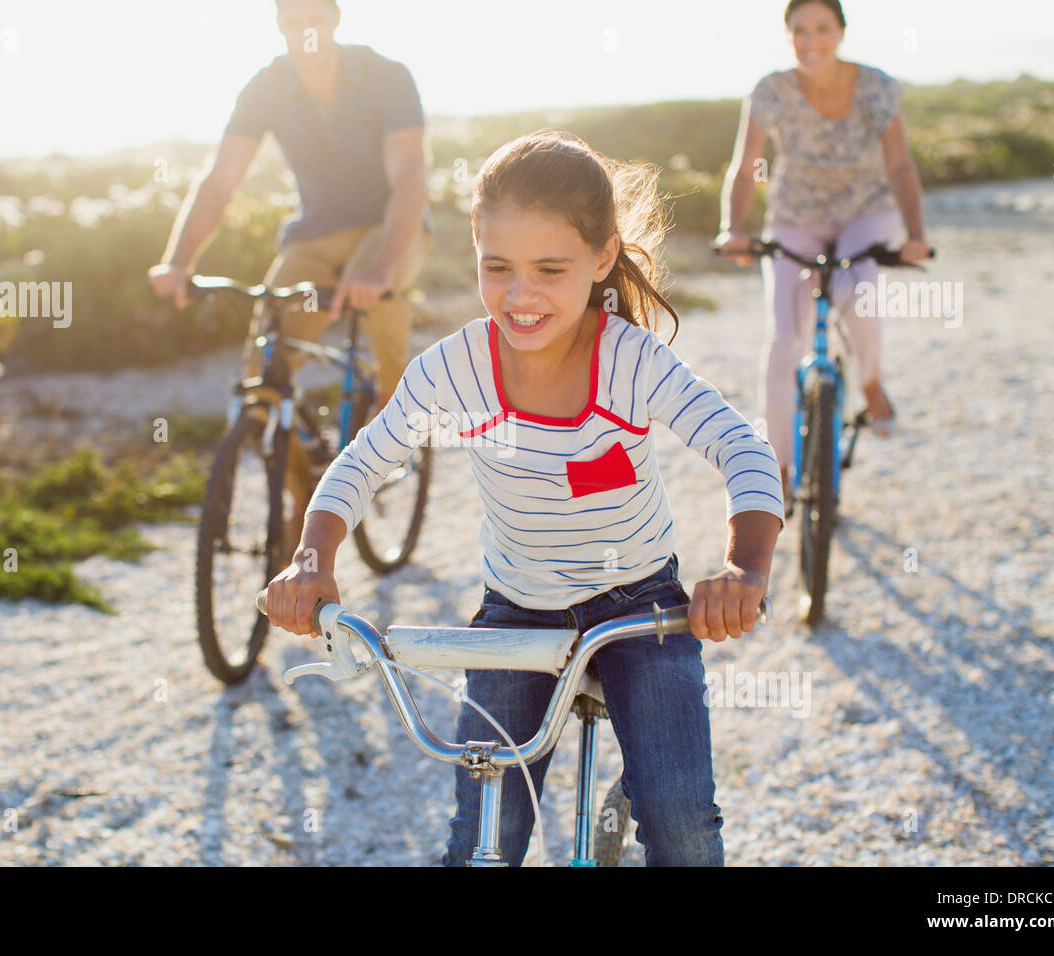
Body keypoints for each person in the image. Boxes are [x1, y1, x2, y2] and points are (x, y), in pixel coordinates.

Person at [264, 130, 785, 866]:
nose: (519, 294)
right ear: (474, 252)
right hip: (517, 607)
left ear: (602, 260)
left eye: (550, 268)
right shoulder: (455, 369)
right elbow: (361, 462)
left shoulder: (630, 362)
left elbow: (744, 448)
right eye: (496, 266)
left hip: (640, 606)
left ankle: (647, 796)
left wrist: (746, 569)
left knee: (679, 822)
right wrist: (311, 559)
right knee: (487, 837)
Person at [149, 0, 433, 546]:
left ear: (335, 18)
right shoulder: (266, 86)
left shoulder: (386, 75)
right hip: (314, 236)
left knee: (383, 332)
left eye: (315, 19)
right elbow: (220, 180)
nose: (305, 31)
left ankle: (393, 430)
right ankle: (305, 495)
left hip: (389, 227)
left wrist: (377, 267)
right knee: (263, 374)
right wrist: (179, 259)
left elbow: (410, 174)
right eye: (292, 21)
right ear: (279, 25)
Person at [715, 0, 930, 508]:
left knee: (859, 294)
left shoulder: (877, 86)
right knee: (784, 341)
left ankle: (872, 382)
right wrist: (733, 229)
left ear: (841, 32)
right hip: (795, 219)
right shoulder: (771, 91)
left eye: (821, 29)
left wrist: (915, 233)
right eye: (799, 31)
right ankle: (780, 468)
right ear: (787, 34)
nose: (810, 40)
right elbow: (746, 167)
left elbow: (899, 166)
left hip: (865, 213)